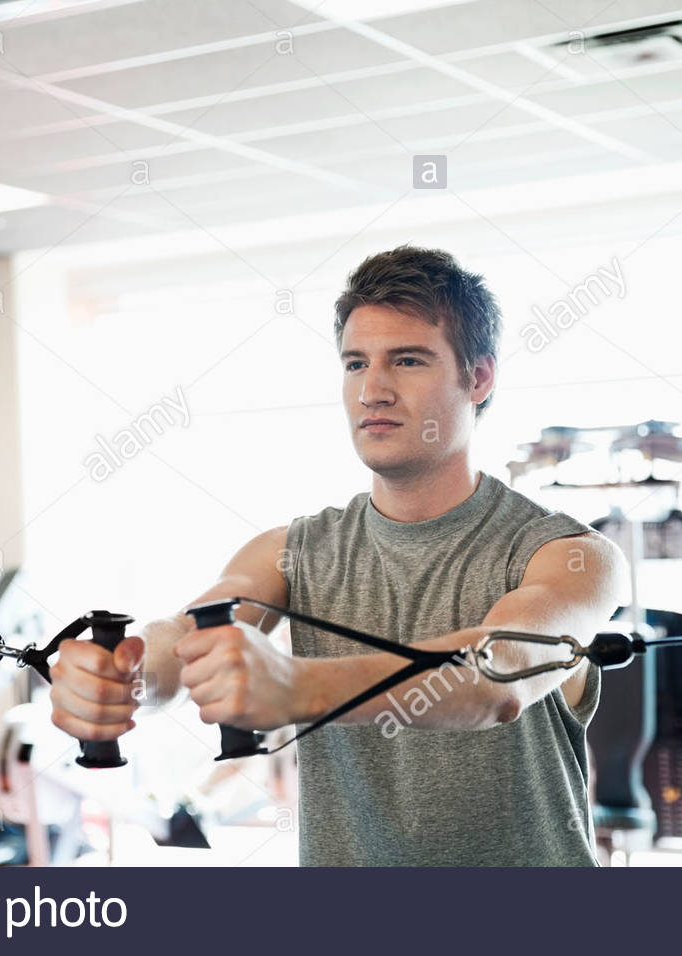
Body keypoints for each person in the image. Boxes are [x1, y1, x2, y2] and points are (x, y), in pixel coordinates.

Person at [49, 245, 628, 866]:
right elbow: (189, 635)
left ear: (479, 377)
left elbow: (500, 674)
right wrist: (123, 678)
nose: (373, 390)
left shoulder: (570, 556)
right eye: (356, 363)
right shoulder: (291, 552)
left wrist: (295, 685)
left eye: (407, 360)